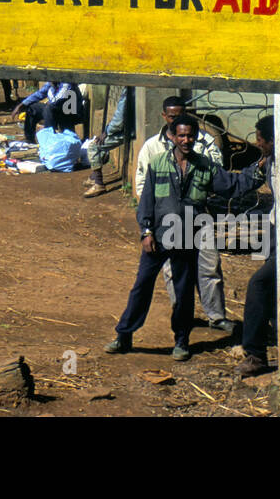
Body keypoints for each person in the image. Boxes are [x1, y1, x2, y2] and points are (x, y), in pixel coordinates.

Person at [106, 115, 267, 361]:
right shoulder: (158, 164)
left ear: (195, 137)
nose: (185, 140)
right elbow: (147, 201)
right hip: (158, 236)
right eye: (180, 135)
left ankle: (181, 341)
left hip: (186, 237)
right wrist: (146, 232)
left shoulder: (205, 167)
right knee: (141, 287)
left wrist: (257, 170)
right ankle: (124, 335)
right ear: (172, 136)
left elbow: (233, 184)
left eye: (190, 136)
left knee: (183, 293)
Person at [133, 95, 231, 331]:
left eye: (183, 115)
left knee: (209, 265)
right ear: (165, 117)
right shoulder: (151, 148)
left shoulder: (203, 141)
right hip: (167, 222)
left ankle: (216, 317)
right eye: (173, 117)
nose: (179, 122)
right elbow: (142, 187)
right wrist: (152, 223)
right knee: (173, 272)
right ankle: (182, 316)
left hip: (199, 216)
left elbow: (217, 172)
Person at [237, 117, 277, 377]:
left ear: (272, 140)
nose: (256, 143)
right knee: (270, 286)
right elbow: (244, 181)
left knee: (258, 284)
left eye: (259, 139)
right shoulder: (268, 161)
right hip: (275, 229)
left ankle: (255, 355)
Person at [84, 85, 134, 197]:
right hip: (129, 127)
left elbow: (118, 121)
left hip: (128, 131)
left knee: (94, 146)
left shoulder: (128, 90)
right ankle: (94, 176)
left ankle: (98, 183)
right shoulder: (131, 88)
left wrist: (106, 131)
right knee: (99, 145)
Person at [11, 81, 83, 142]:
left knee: (49, 108)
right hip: (56, 111)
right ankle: (29, 140)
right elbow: (39, 94)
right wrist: (22, 105)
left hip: (69, 115)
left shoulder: (66, 84)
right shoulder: (51, 83)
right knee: (33, 108)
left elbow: (56, 101)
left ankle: (49, 139)